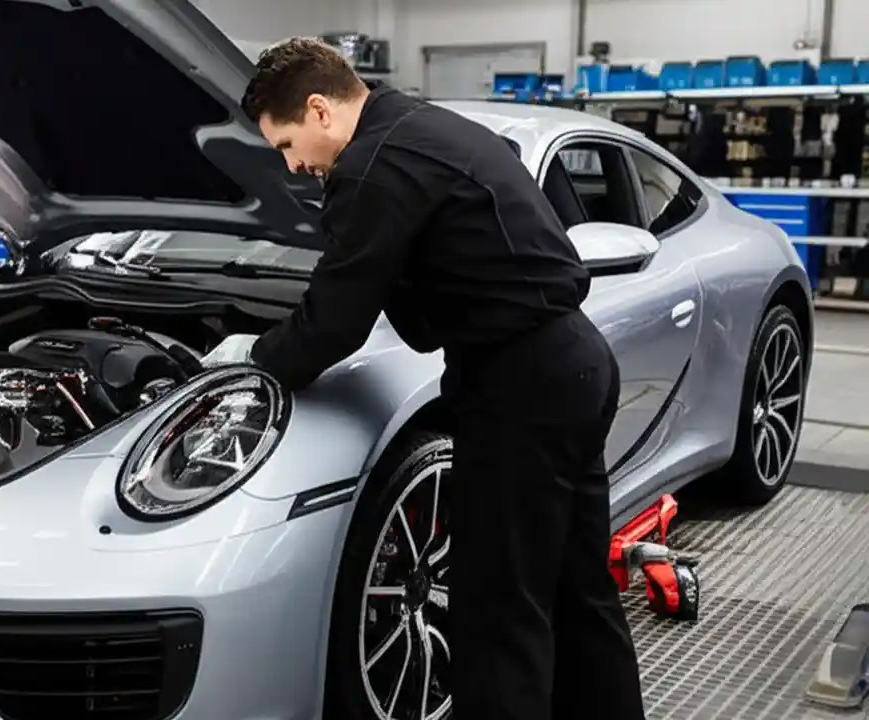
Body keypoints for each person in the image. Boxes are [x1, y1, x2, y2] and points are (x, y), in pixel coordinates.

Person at [221, 37, 647, 719]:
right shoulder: (429, 127)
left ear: (319, 108)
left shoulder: (372, 166)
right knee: (576, 588)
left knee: (495, 607)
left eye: (286, 145)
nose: (296, 166)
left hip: (520, 388)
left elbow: (333, 324)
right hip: (576, 363)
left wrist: (255, 358)